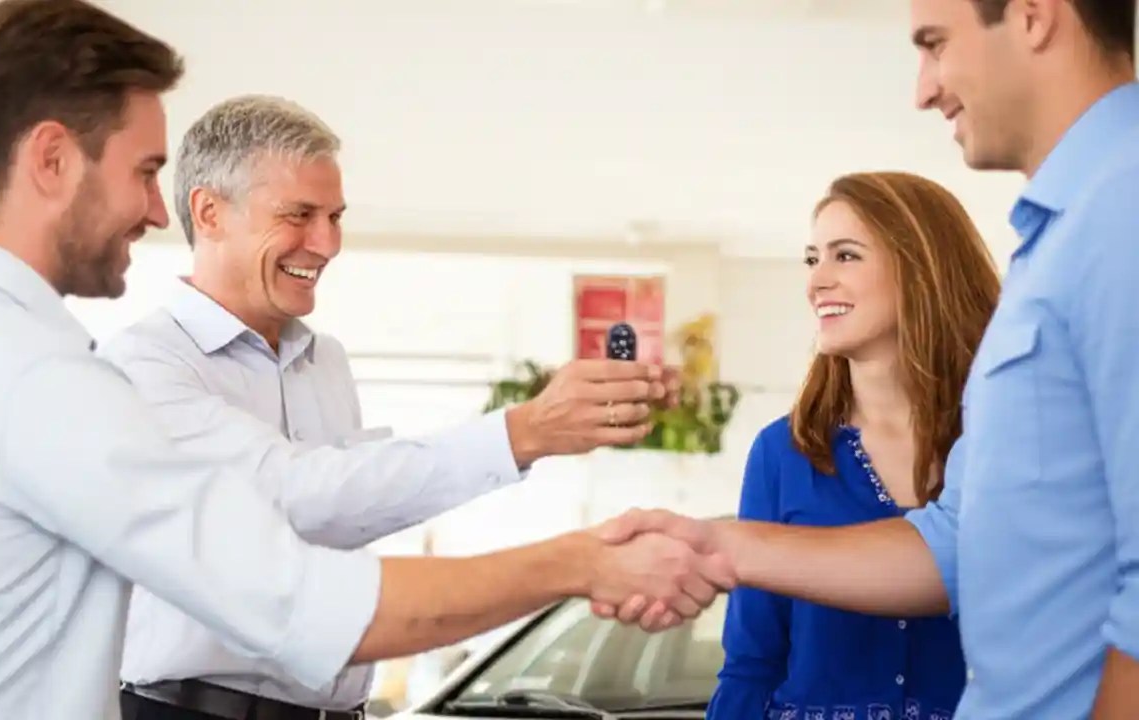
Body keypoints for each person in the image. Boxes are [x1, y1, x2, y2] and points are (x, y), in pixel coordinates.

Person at [0, 2, 724, 719]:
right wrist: (577, 557)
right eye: (144, 171)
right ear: (52, 159)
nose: (157, 213)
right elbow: (301, 591)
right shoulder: (48, 379)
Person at [598, 0, 1139, 717]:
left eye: (936, 43)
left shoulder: (1121, 211)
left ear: (1035, 16)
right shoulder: (1062, 237)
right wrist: (717, 544)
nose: (922, 89)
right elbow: (955, 544)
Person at [104, 95, 679, 720]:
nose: (325, 243)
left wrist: (546, 430)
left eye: (334, 216)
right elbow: (295, 500)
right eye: (299, 214)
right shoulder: (145, 366)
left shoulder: (324, 362)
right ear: (209, 212)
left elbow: (356, 505)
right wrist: (525, 431)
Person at [705, 171, 999, 720]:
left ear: (921, 267)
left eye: (845, 256)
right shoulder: (782, 452)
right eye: (812, 259)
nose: (817, 282)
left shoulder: (1001, 439)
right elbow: (751, 662)